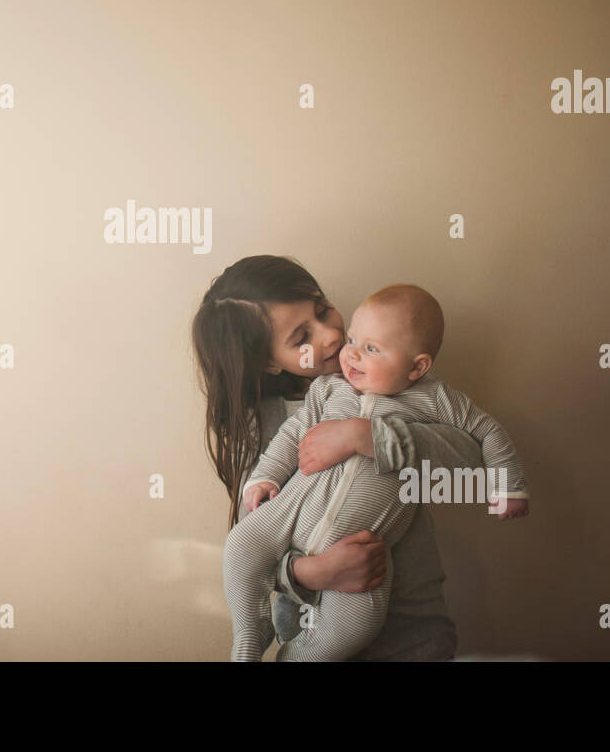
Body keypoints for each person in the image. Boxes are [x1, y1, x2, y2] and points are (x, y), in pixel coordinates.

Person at [192, 255, 494, 660]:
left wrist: (365, 436)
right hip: (311, 641)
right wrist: (310, 573)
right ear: (268, 360)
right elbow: (253, 547)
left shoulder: (402, 387)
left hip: (412, 640)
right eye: (302, 337)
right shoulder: (263, 429)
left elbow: (473, 463)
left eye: (322, 310)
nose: (331, 335)